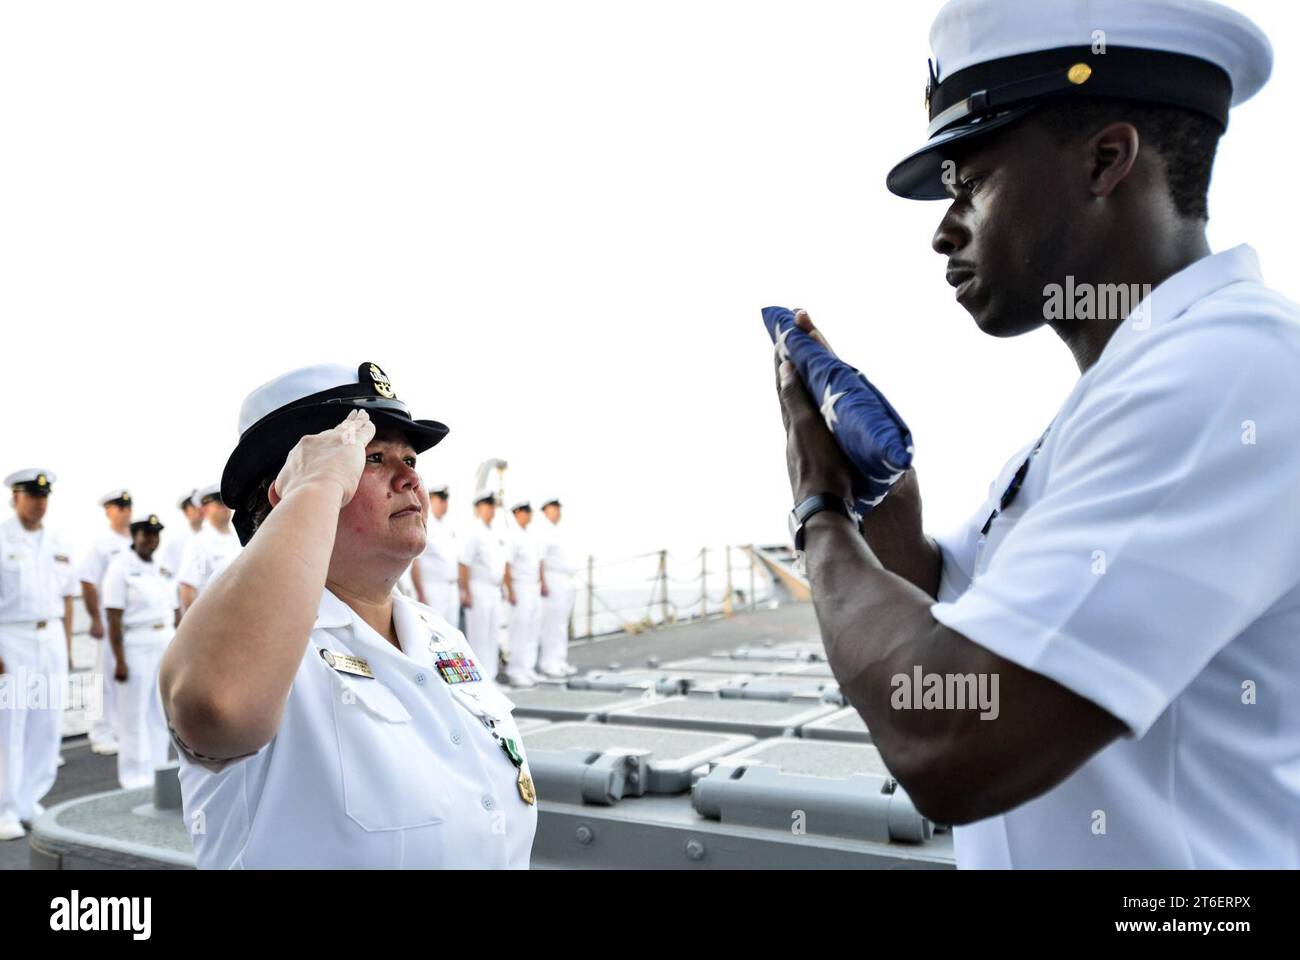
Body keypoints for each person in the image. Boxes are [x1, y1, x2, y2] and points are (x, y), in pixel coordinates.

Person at [774, 0, 1300, 868]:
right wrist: (875, 497)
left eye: (970, 185)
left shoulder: (1228, 375)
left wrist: (819, 513)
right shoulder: (1117, 401)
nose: (944, 230)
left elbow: (950, 731)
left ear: (1106, 160)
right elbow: (946, 605)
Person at [158, 362, 536, 868]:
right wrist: (315, 488)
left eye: (410, 459)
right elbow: (216, 706)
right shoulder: (263, 649)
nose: (409, 478)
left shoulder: (440, 636)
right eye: (372, 457)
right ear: (292, 489)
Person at [0, 469, 77, 840]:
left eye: (44, 495)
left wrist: (66, 647)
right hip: (11, 639)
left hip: (51, 641)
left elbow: (67, 597)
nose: (40, 501)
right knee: (9, 726)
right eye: (32, 495)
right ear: (15, 498)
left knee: (46, 724)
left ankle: (30, 798)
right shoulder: (1, 538)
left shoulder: (58, 540)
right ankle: (5, 808)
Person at [102, 512, 179, 790]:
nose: (151, 540)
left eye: (155, 534)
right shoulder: (120, 568)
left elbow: (174, 609)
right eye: (146, 534)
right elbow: (113, 617)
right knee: (133, 714)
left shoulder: (160, 568)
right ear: (135, 537)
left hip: (164, 640)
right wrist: (119, 661)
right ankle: (134, 778)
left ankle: (157, 771)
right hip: (136, 644)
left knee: (160, 713)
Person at [77, 488, 133, 756]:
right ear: (108, 512)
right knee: (103, 679)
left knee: (127, 679)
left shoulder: (138, 540)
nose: (124, 511)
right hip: (110, 621)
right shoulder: (101, 544)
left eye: (127, 506)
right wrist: (95, 619)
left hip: (132, 626)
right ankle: (99, 731)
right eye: (118, 507)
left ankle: (122, 730)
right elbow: (87, 581)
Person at [458, 490, 507, 685]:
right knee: (479, 636)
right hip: (478, 589)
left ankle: (492, 676)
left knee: (492, 634)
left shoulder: (492, 532)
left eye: (492, 506)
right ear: (479, 508)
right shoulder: (473, 533)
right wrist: (466, 592)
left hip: (493, 590)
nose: (491, 510)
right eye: (487, 505)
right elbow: (464, 563)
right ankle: (481, 680)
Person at [176, 483, 240, 616]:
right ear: (204, 509)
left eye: (226, 502)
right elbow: (189, 588)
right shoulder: (199, 543)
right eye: (219, 502)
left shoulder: (239, 538)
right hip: (215, 617)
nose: (225, 507)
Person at [502, 500, 545, 688]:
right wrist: (510, 591)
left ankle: (528, 669)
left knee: (532, 629)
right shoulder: (512, 536)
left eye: (530, 511)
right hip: (519, 587)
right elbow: (507, 565)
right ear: (517, 513)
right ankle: (516, 671)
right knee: (519, 631)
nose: (529, 514)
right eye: (525, 511)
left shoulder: (529, 535)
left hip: (532, 587)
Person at [535, 496, 577, 678]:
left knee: (561, 624)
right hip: (552, 580)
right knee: (552, 624)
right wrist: (543, 582)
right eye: (554, 508)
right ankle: (549, 663)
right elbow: (540, 559)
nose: (558, 511)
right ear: (546, 510)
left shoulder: (556, 530)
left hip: (565, 580)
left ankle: (559, 660)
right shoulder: (542, 530)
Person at [410, 483, 460, 627]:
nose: (445, 503)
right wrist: (420, 593)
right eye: (441, 499)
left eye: (446, 500)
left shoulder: (448, 525)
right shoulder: (423, 522)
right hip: (433, 589)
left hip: (451, 588)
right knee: (436, 631)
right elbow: (415, 562)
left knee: (453, 630)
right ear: (430, 499)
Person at [158, 490, 203, 581]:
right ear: (185, 512)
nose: (199, 509)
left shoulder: (214, 536)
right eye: (194, 506)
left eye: (201, 505)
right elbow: (165, 573)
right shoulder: (177, 541)